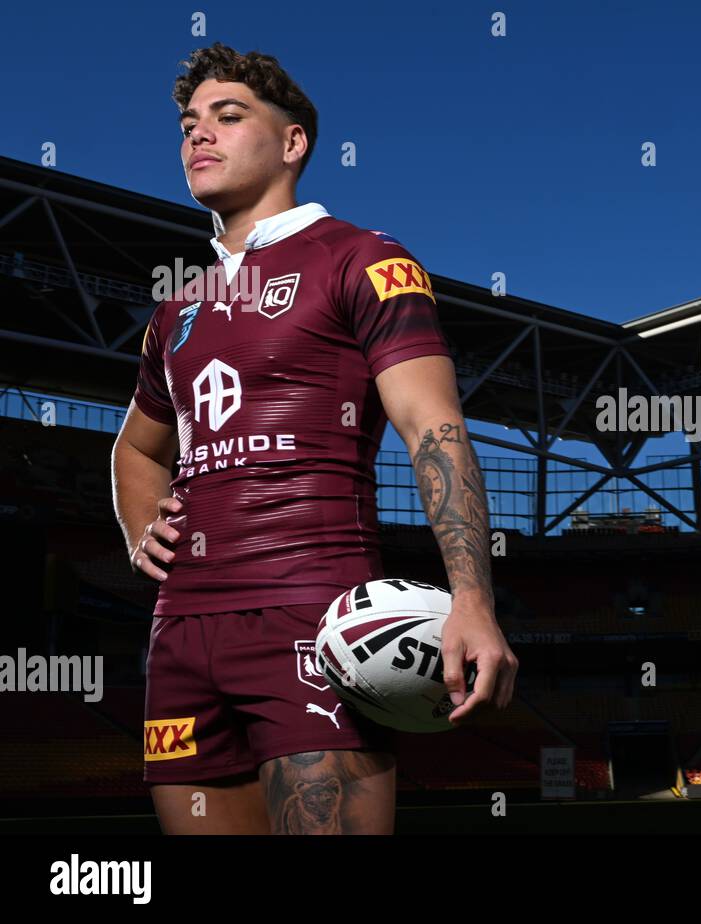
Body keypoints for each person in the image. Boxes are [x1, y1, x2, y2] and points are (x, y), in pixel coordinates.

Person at [110, 42, 517, 834]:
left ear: (293, 142)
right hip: (181, 632)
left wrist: (472, 596)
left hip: (314, 617)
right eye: (189, 125)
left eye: (229, 117)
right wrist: (139, 530)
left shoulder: (364, 259)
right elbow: (136, 447)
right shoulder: (175, 311)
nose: (199, 135)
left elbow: (431, 427)